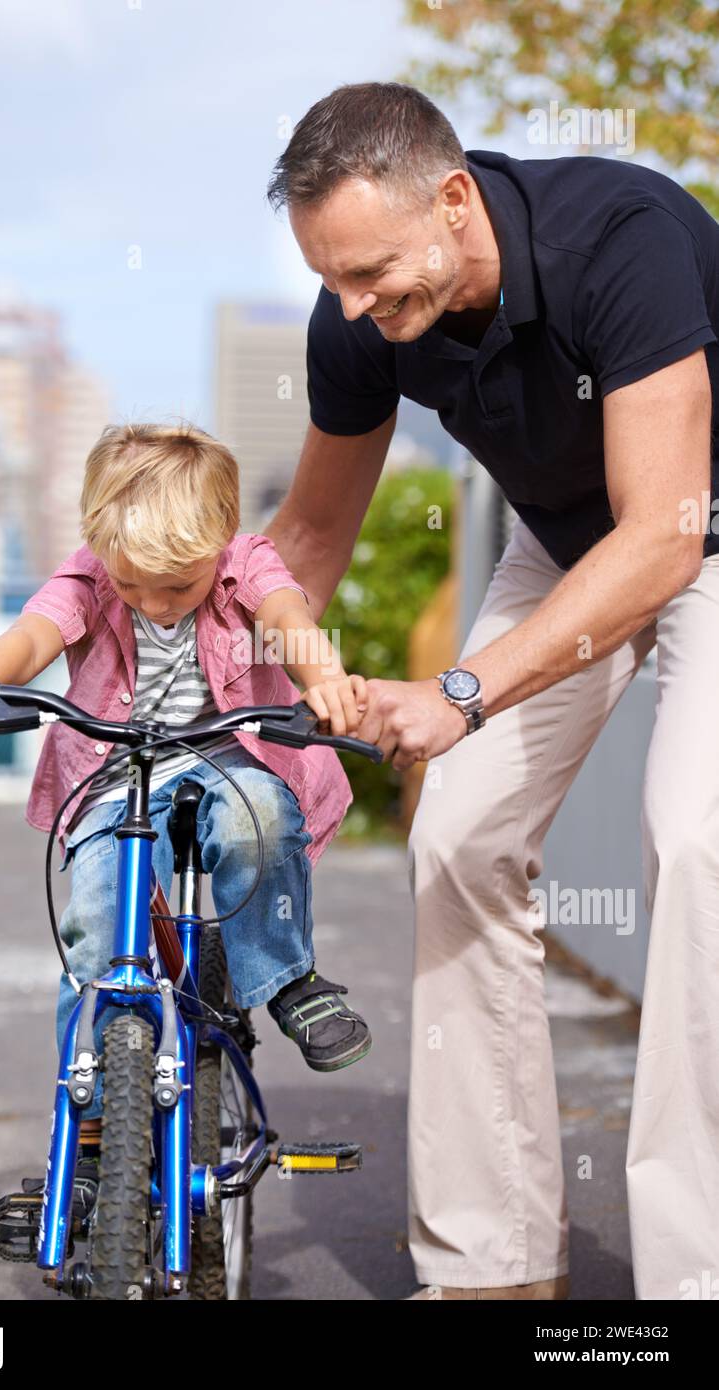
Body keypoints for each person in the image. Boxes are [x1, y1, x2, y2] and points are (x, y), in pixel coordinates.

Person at [263, 81, 719, 1301]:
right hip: (566, 543)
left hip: (695, 532)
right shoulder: (360, 314)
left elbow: (666, 540)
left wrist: (457, 692)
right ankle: (492, 1265)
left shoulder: (618, 241)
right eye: (333, 281)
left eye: (371, 274)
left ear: (455, 199)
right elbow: (306, 543)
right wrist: (230, 688)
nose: (355, 309)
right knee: (457, 837)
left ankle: (694, 1283)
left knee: (695, 842)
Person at [0, 420, 375, 1142]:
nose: (153, 603)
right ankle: (90, 1125)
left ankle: (286, 981)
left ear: (219, 538)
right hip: (111, 777)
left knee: (261, 823)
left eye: (177, 586)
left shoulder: (245, 562)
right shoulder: (91, 574)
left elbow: (286, 618)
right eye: (132, 585)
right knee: (94, 935)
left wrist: (326, 680)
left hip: (225, 758)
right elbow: (33, 637)